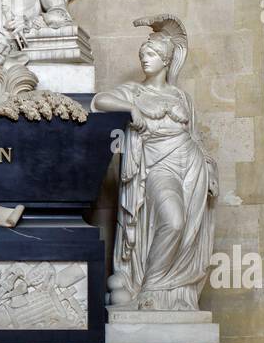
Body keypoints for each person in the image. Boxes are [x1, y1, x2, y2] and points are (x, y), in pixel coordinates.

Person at [91, 16, 218, 311]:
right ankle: (152, 287)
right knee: (173, 221)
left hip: (192, 166)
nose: (145, 61)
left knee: (188, 229)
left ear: (165, 60)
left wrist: (209, 168)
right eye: (142, 56)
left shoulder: (182, 97)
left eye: (150, 56)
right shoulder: (135, 91)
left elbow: (194, 136)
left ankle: (174, 295)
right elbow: (99, 102)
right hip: (158, 165)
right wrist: (131, 107)